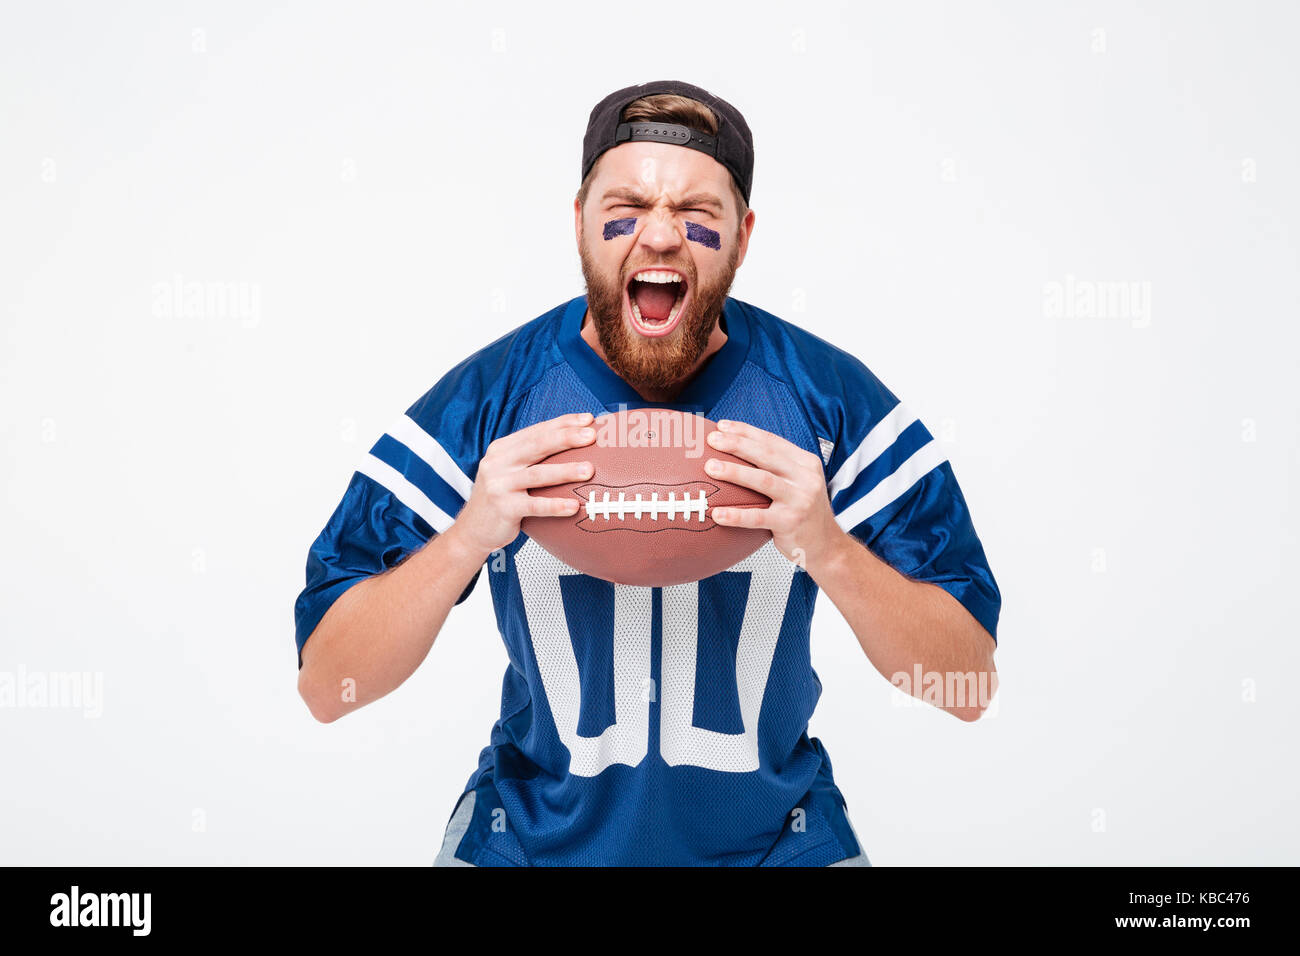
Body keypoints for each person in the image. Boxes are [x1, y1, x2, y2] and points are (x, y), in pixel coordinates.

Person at [293, 80, 1001, 866]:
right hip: (530, 841)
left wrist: (828, 546)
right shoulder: (490, 401)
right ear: (580, 224)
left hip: (777, 844)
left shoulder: (825, 399)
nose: (661, 237)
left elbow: (963, 685)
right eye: (627, 206)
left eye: (699, 215)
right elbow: (328, 686)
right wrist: (468, 537)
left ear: (743, 237)